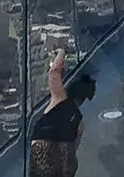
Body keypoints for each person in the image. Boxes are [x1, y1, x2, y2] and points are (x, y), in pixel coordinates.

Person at [29, 49, 95, 177]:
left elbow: (54, 73)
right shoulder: (79, 121)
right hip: (61, 164)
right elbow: (73, 147)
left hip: (42, 154)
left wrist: (61, 53)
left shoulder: (59, 99)